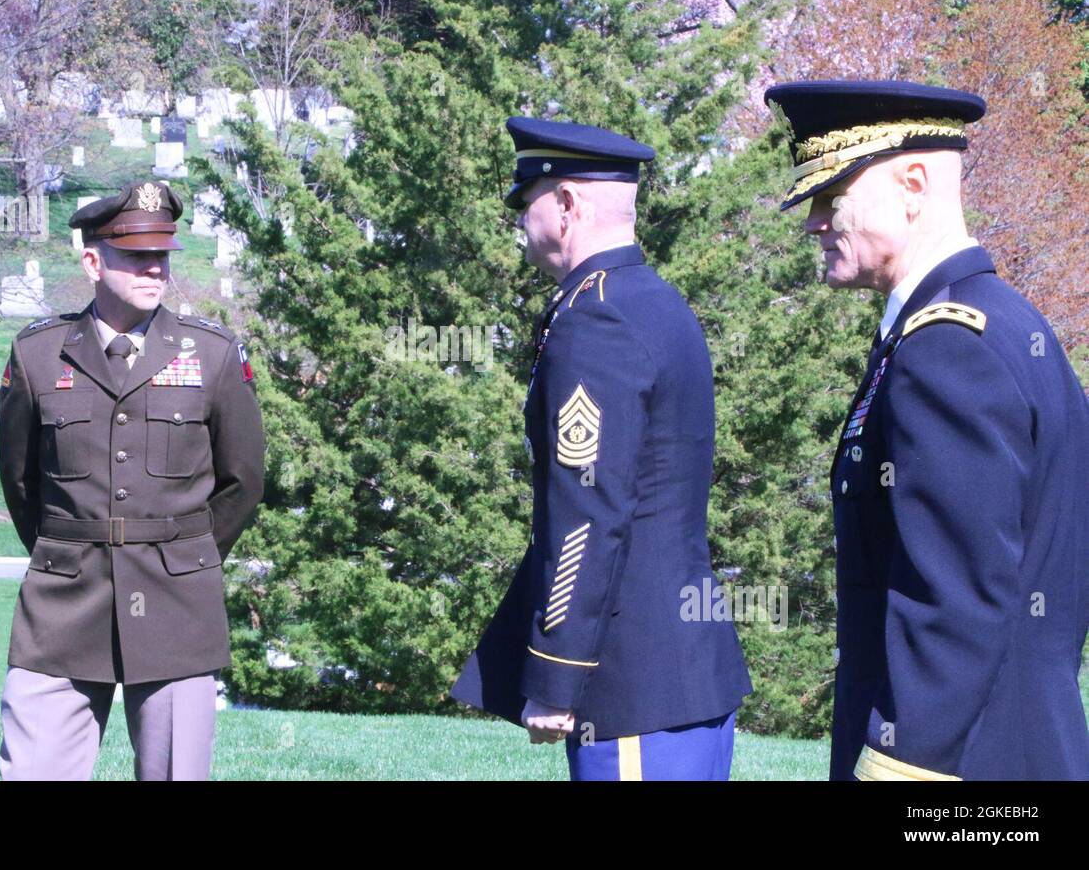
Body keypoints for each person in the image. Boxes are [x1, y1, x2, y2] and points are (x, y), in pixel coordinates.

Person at [764, 78, 1089, 780]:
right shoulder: (1004, 325)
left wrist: (897, 762)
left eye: (831, 196)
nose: (813, 222)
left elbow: (954, 602)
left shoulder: (948, 349)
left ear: (914, 182)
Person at [450, 117, 753, 780]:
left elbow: (588, 510)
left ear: (566, 204)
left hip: (630, 684)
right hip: (677, 674)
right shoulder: (655, 302)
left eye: (525, 204)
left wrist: (555, 670)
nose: (520, 224)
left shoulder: (596, 320)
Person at [0, 179, 265, 780]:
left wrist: (182, 552)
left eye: (161, 253)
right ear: (93, 260)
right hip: (62, 603)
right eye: (136, 254)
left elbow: (243, 480)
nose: (154, 268)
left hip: (176, 602)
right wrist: (68, 546)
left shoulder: (212, 353)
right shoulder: (40, 354)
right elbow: (19, 481)